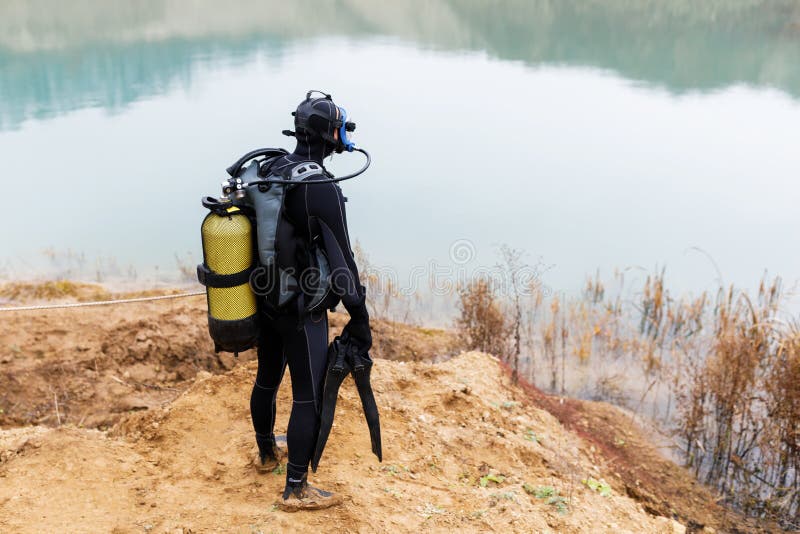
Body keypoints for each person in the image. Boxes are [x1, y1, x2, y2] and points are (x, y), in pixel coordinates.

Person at [248, 93, 373, 511]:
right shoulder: (319, 185)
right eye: (340, 128)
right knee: (308, 395)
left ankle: (267, 453)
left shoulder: (271, 167)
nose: (344, 135)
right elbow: (342, 260)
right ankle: (295, 488)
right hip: (301, 308)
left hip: (265, 295)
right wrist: (359, 314)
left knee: (267, 377)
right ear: (329, 135)